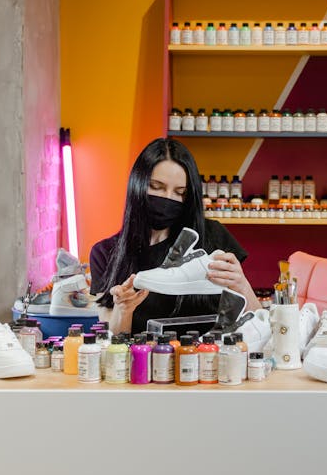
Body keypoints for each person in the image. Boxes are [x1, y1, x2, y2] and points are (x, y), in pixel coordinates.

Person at [91, 138, 260, 334]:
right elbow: (114, 338)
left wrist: (243, 287)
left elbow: (258, 321)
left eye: (180, 192)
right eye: (156, 186)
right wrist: (123, 310)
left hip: (208, 359)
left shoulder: (213, 237)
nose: (168, 198)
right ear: (137, 184)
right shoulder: (105, 253)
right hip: (144, 361)